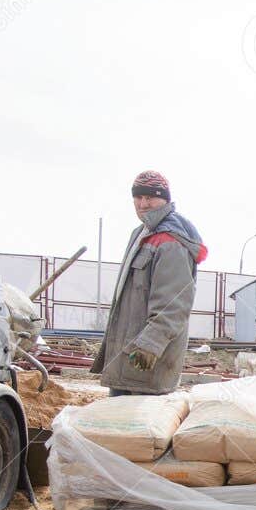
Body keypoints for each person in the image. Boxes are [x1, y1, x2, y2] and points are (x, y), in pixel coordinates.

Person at [92, 169, 207, 395]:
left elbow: (174, 303)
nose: (143, 204)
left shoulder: (170, 240)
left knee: (138, 428)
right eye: (138, 197)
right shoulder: (142, 234)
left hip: (147, 362)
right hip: (129, 359)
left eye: (151, 197)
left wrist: (150, 345)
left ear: (165, 199)